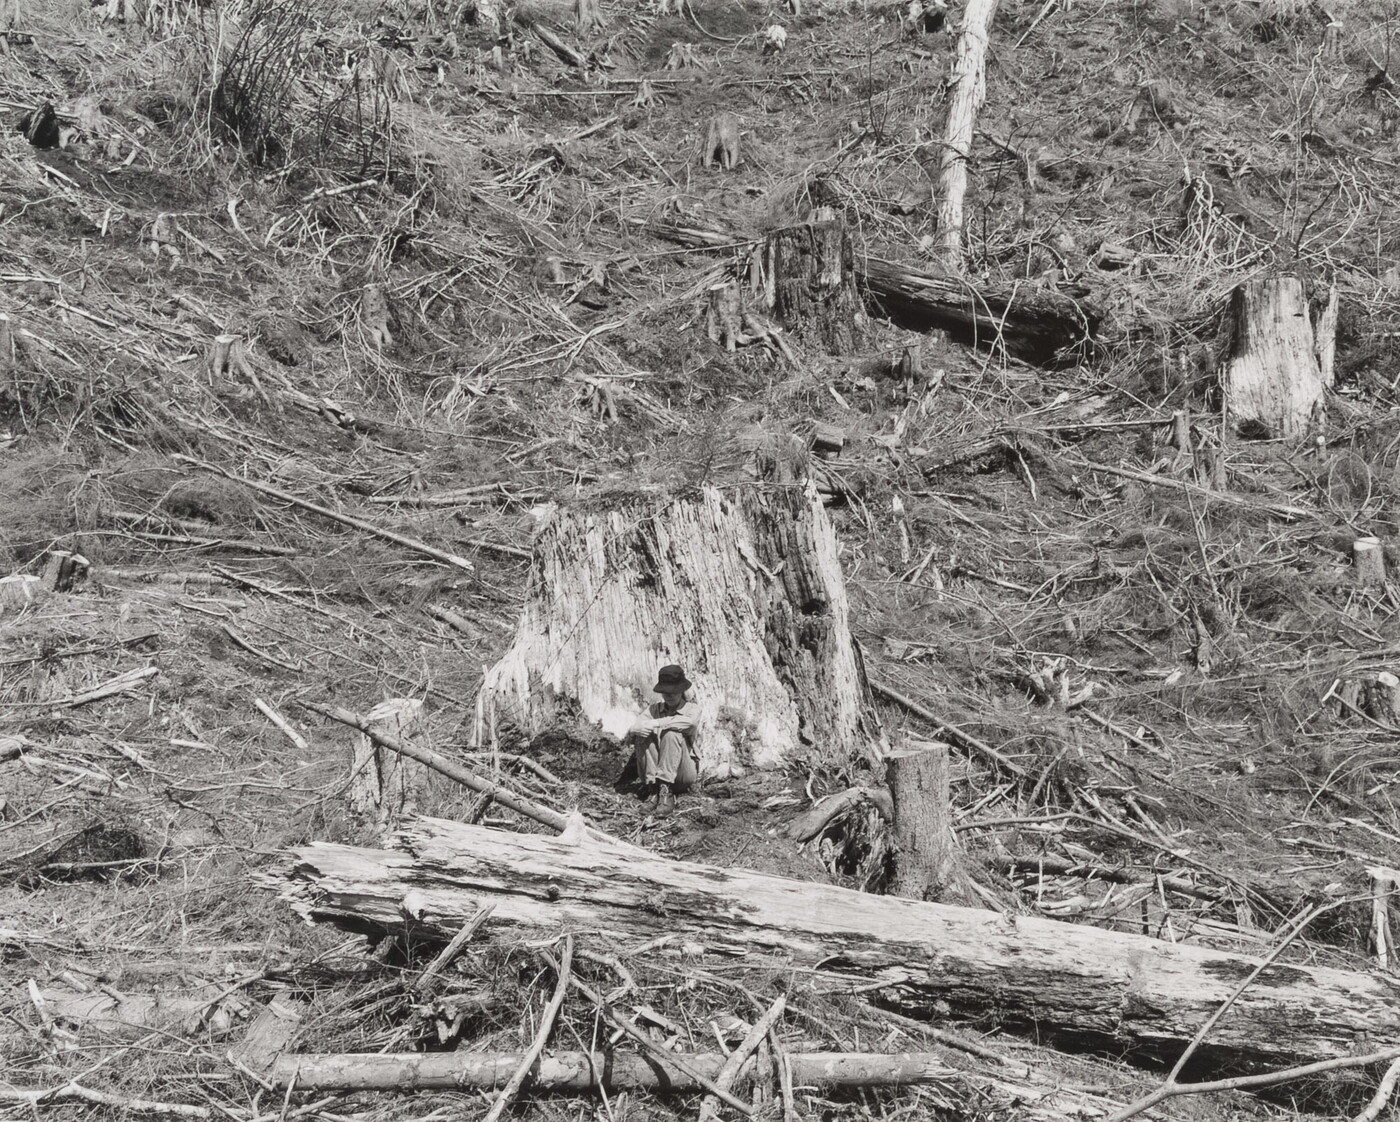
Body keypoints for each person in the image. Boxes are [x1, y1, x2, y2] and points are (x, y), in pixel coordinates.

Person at [627, 664, 699, 815]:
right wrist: (634, 729)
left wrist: (656, 723)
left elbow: (690, 723)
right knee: (643, 733)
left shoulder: (692, 709)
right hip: (654, 773)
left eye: (673, 692)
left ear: (681, 690)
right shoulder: (653, 710)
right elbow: (638, 725)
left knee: (671, 733)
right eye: (665, 692)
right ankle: (654, 790)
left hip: (682, 774)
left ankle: (666, 790)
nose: (669, 696)